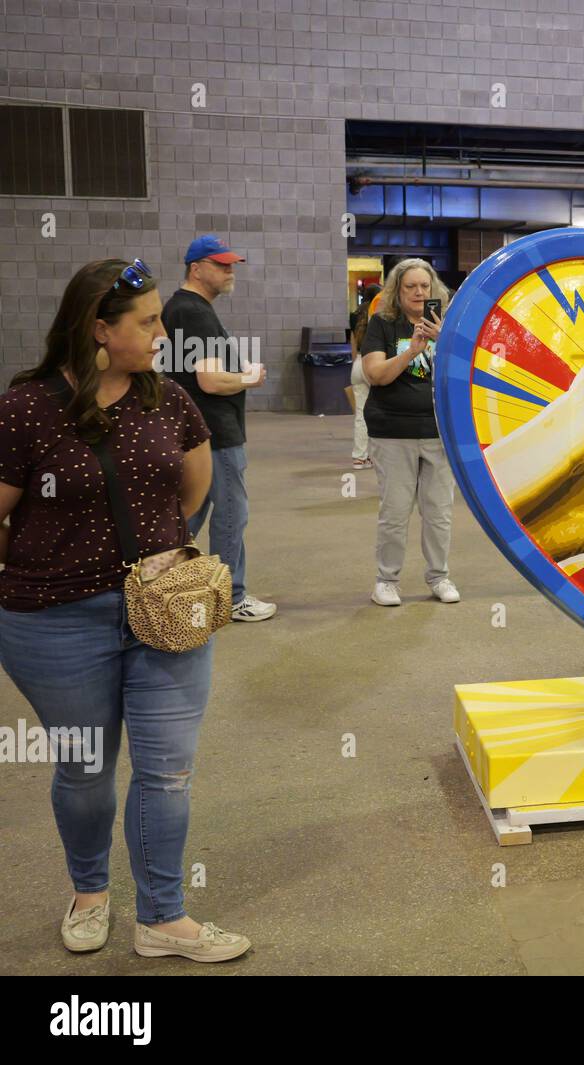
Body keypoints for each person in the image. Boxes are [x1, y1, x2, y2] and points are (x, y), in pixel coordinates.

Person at [0, 259, 250, 962]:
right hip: (54, 621)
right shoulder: (25, 410)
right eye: (146, 321)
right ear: (99, 330)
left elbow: (192, 491)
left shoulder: (168, 400)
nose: (161, 329)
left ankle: (161, 915)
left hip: (166, 611)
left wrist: (156, 553)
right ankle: (88, 890)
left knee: (167, 769)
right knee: (84, 770)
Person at [162, 235, 276, 622]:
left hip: (194, 432)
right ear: (196, 269)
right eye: (220, 264)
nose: (229, 271)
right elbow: (210, 381)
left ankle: (163, 590)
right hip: (216, 434)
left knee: (187, 516)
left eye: (231, 264)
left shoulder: (181, 309)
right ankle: (230, 598)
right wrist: (249, 378)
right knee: (230, 516)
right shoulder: (194, 312)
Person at [361, 258, 459, 607]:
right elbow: (376, 374)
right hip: (393, 432)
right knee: (396, 511)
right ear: (397, 292)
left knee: (439, 511)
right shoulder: (383, 325)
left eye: (424, 286)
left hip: (438, 431)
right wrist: (412, 351)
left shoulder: (449, 325)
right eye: (410, 287)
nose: (419, 292)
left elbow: (470, 370)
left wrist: (443, 340)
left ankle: (439, 577)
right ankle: (386, 581)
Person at [349, 282, 382, 470]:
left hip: (358, 363)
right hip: (374, 362)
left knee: (360, 414)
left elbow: (353, 343)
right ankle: (377, 455)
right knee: (379, 411)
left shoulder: (354, 316)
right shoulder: (378, 313)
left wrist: (355, 364)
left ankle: (359, 457)